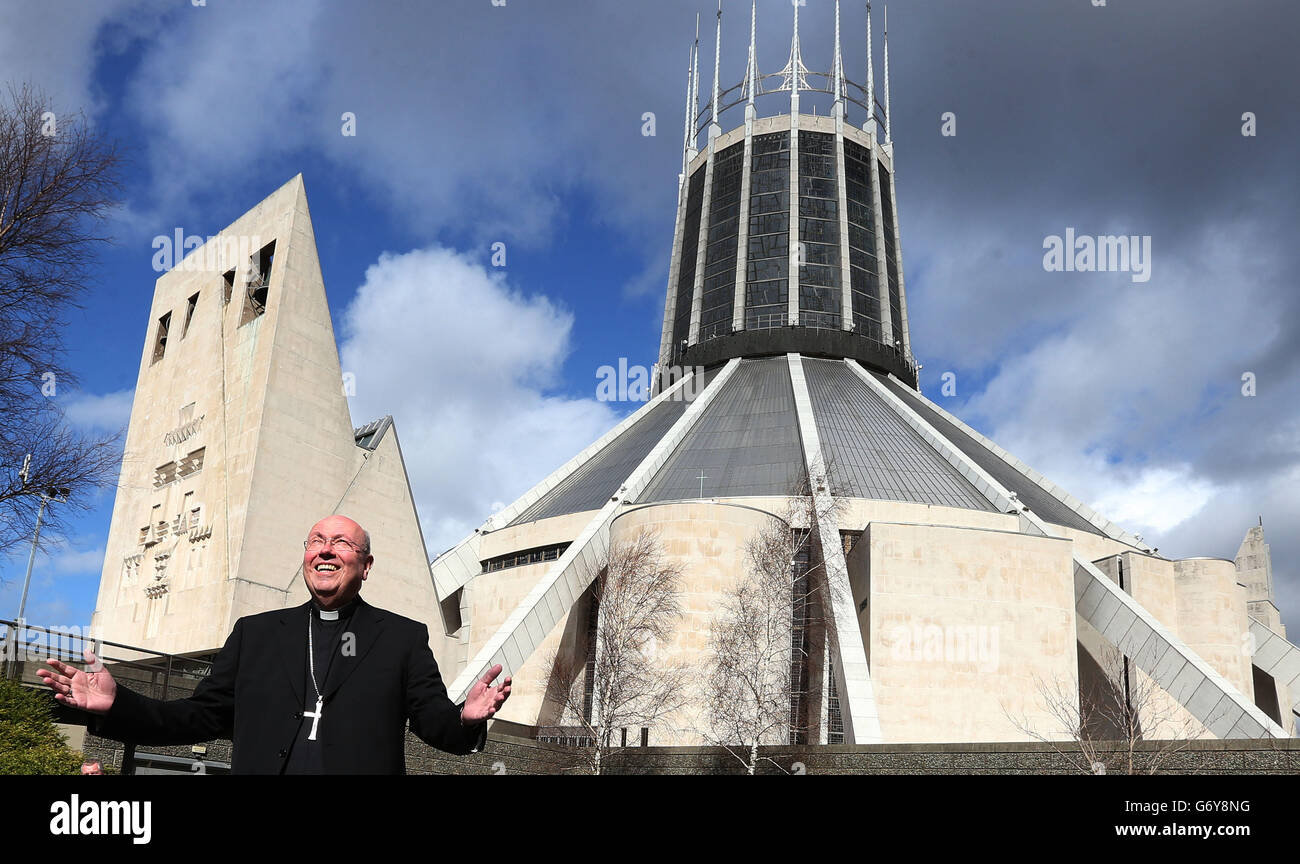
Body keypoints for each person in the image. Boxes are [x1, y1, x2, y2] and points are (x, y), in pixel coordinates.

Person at [39, 515, 510, 774]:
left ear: (366, 566)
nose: (325, 550)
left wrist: (465, 720)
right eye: (316, 541)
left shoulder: (401, 638)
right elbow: (198, 717)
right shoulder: (255, 634)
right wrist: (117, 703)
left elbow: (434, 724)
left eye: (342, 544)